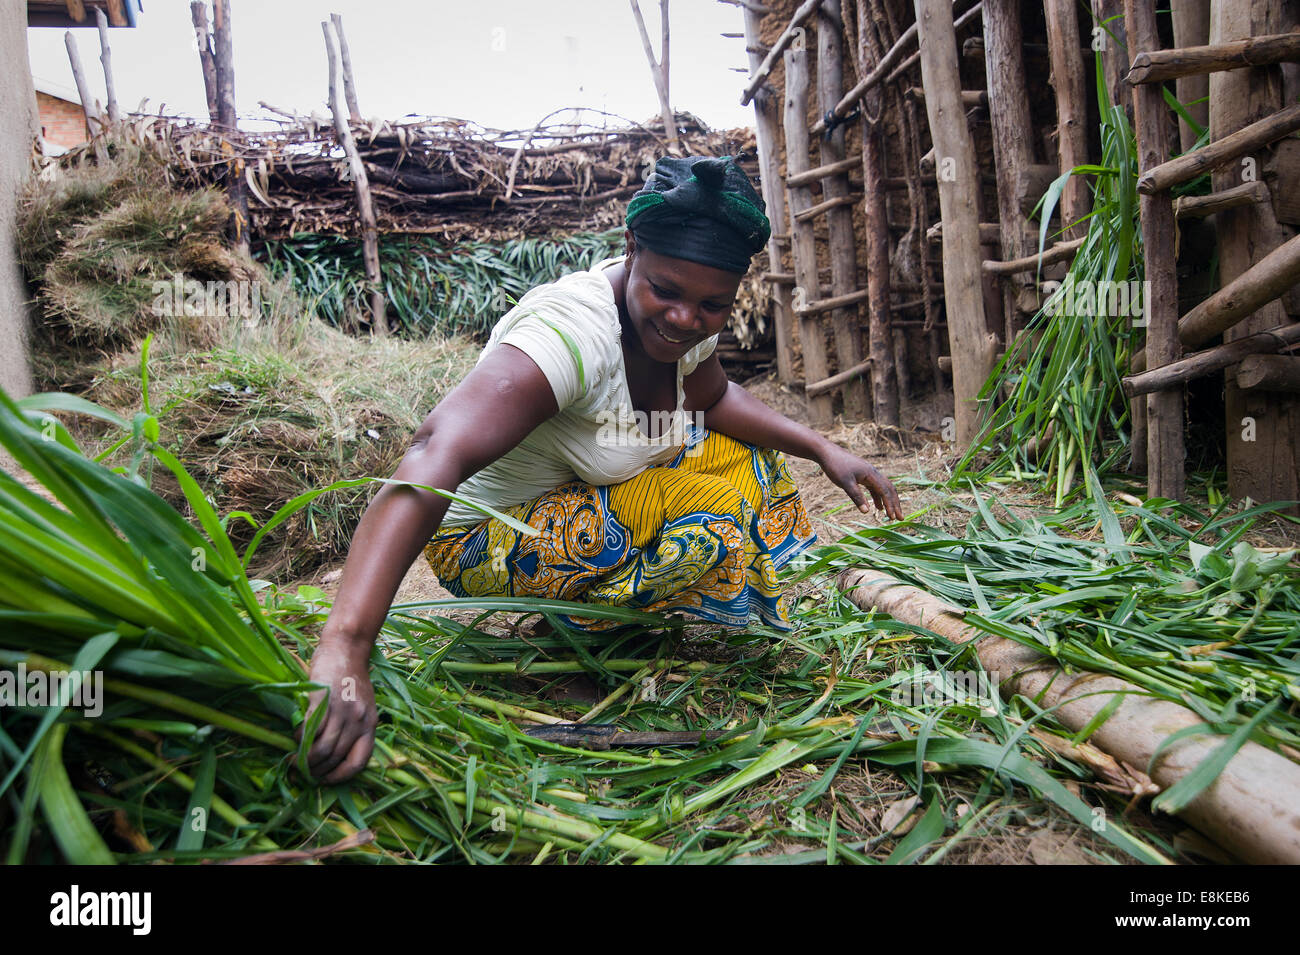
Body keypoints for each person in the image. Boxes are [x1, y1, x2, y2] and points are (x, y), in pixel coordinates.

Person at [302, 154, 904, 783]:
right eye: (665, 291)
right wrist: (347, 643)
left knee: (750, 462)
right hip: (486, 536)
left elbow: (716, 398)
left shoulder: (685, 323)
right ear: (630, 249)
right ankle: (591, 629)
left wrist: (824, 448)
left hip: (579, 497)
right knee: (710, 509)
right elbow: (434, 452)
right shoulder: (571, 334)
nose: (683, 319)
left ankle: (630, 608)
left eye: (711, 305)